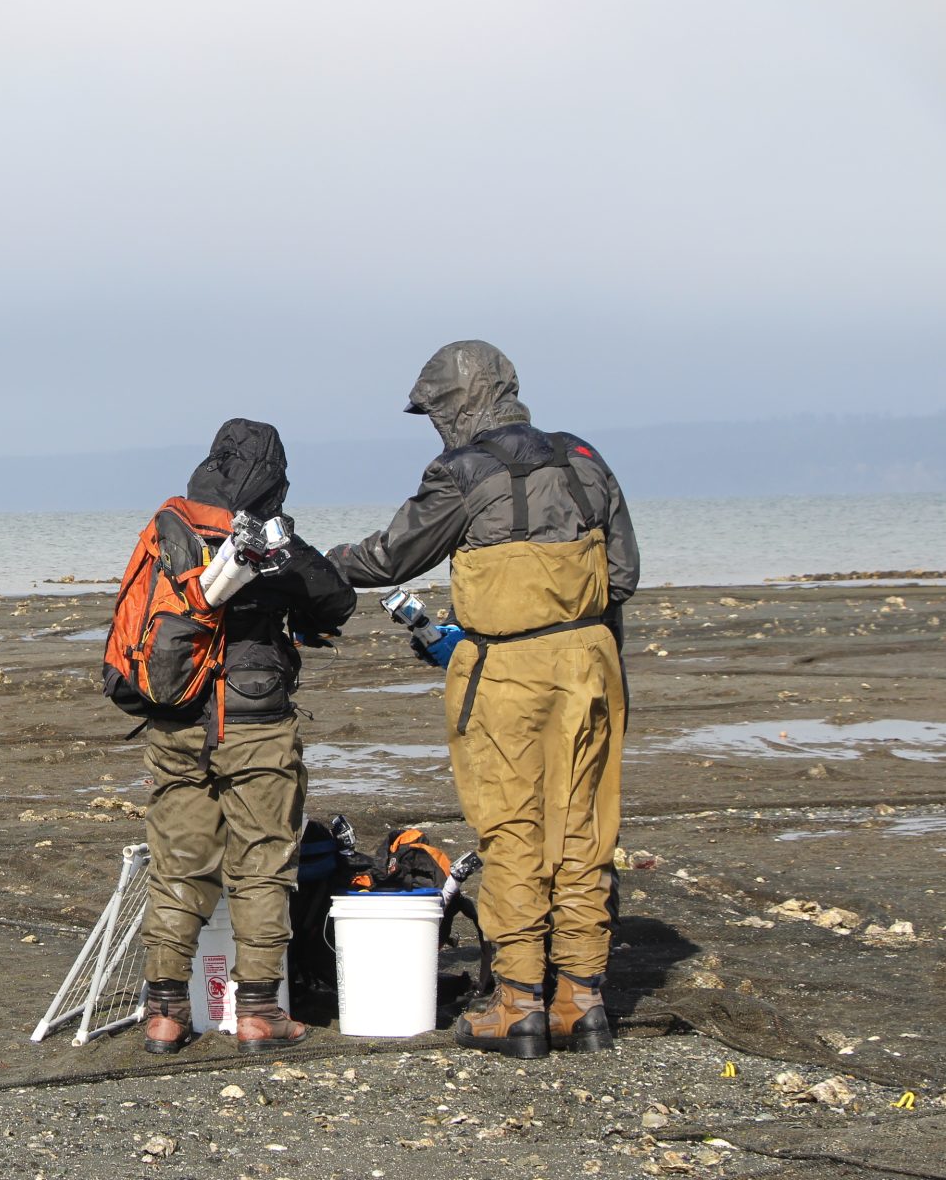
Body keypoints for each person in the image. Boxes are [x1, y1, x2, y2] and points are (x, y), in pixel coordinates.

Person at [327, 340, 638, 1057]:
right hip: (592, 663)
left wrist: (320, 564)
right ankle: (582, 1001)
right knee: (586, 828)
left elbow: (391, 556)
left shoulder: (461, 471)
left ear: (458, 404)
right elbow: (622, 575)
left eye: (435, 410)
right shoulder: (586, 459)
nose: (434, 424)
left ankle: (519, 1004)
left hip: (508, 670)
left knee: (514, 826)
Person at [136, 419, 356, 1054]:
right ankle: (260, 1012)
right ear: (274, 476)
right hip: (253, 716)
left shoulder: (171, 524)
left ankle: (165, 1014)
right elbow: (335, 602)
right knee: (263, 860)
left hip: (174, 712)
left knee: (178, 864)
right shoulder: (270, 537)